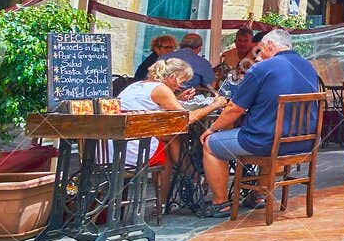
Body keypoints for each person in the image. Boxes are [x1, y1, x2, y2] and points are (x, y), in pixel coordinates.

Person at [202, 28, 322, 216]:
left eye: (260, 50)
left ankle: (220, 203)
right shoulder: (308, 67)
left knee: (210, 145)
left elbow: (235, 108)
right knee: (274, 132)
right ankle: (259, 195)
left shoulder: (262, 68)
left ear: (270, 45)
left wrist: (212, 129)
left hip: (267, 142)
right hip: (306, 142)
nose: (258, 55)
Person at [116, 58, 223, 203]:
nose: (181, 85)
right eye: (181, 80)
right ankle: (189, 177)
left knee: (170, 138)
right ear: (172, 77)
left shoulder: (137, 85)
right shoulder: (161, 89)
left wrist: (177, 98)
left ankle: (182, 182)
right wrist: (214, 105)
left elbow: (153, 107)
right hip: (134, 150)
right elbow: (185, 119)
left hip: (115, 147)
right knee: (169, 145)